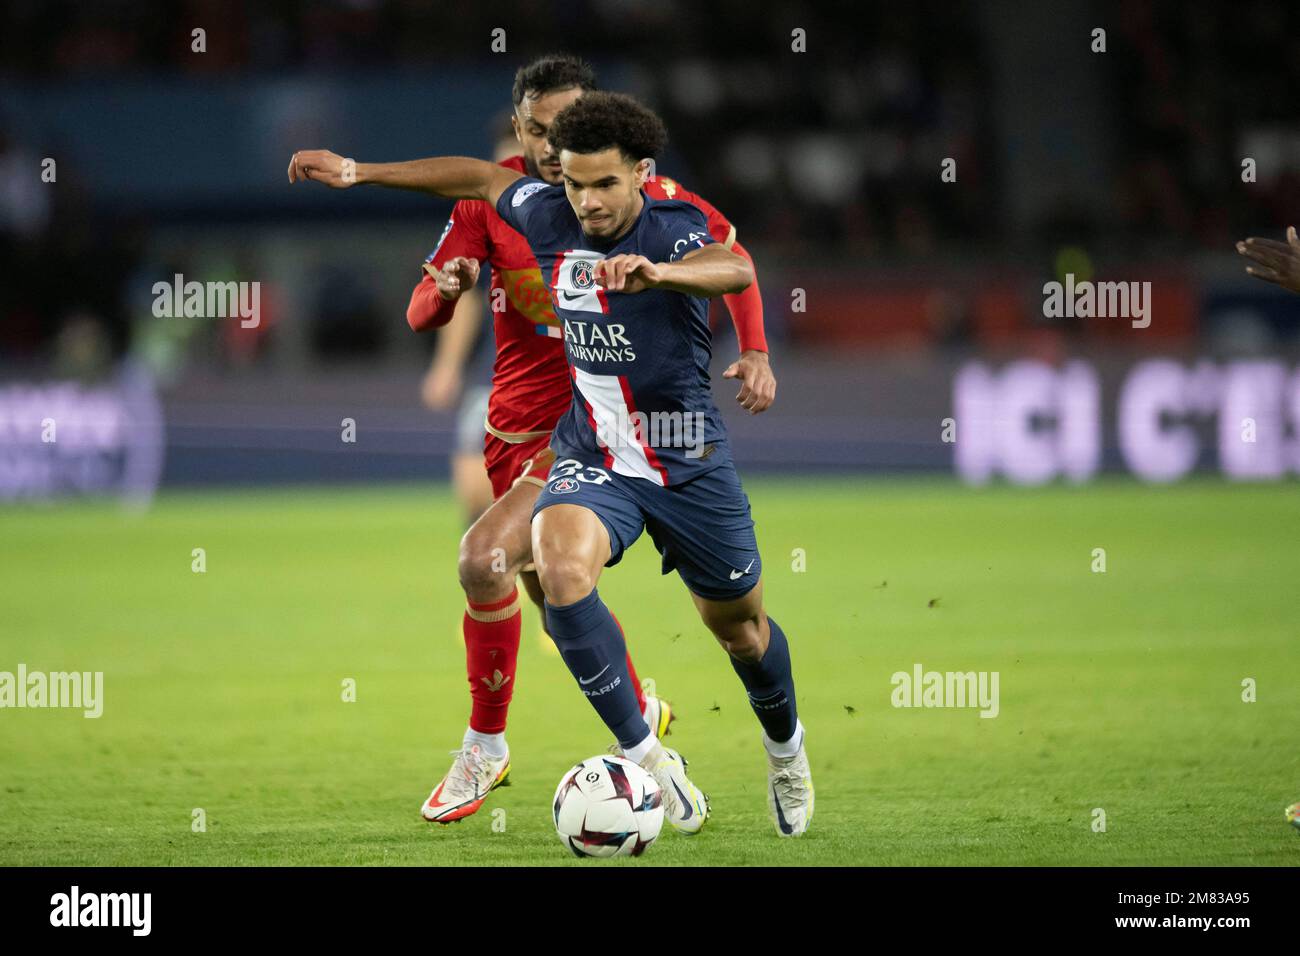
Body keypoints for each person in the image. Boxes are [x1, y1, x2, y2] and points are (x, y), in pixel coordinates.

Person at [288, 90, 811, 838]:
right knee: (556, 572)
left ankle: (786, 748)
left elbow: (731, 266)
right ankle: (647, 760)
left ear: (640, 173)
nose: (589, 203)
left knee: (743, 633)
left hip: (683, 448)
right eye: (574, 183)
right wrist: (356, 171)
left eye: (604, 184)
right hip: (591, 448)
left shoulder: (673, 222)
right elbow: (472, 177)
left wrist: (666, 281)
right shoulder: (541, 212)